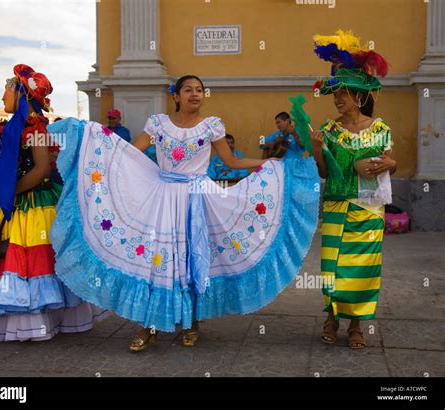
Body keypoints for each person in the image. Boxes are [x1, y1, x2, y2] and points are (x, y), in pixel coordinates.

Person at [47, 75, 320, 352]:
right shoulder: (158, 124)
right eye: (188, 90)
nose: (195, 94)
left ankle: (191, 323)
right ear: (175, 96)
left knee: (192, 259)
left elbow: (231, 161)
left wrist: (266, 163)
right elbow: (129, 152)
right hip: (162, 198)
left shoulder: (211, 126)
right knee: (156, 261)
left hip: (198, 200)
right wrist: (93, 137)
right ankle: (148, 325)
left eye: (199, 90)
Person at [0, 64, 107, 342]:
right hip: (6, 201)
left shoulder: (36, 127)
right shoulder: (5, 129)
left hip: (32, 202)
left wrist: (11, 192)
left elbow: (42, 168)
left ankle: (33, 320)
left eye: (6, 91)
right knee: (3, 256)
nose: (1, 98)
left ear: (21, 93)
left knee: (30, 259)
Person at [309, 30, 397, 349]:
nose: (337, 99)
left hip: (368, 208)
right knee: (331, 267)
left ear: (358, 95)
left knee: (361, 268)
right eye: (335, 94)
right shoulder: (329, 130)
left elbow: (389, 163)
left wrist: (391, 164)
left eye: (343, 94)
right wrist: (318, 149)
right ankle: (331, 317)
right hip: (335, 205)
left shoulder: (380, 129)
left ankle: (356, 326)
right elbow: (322, 171)